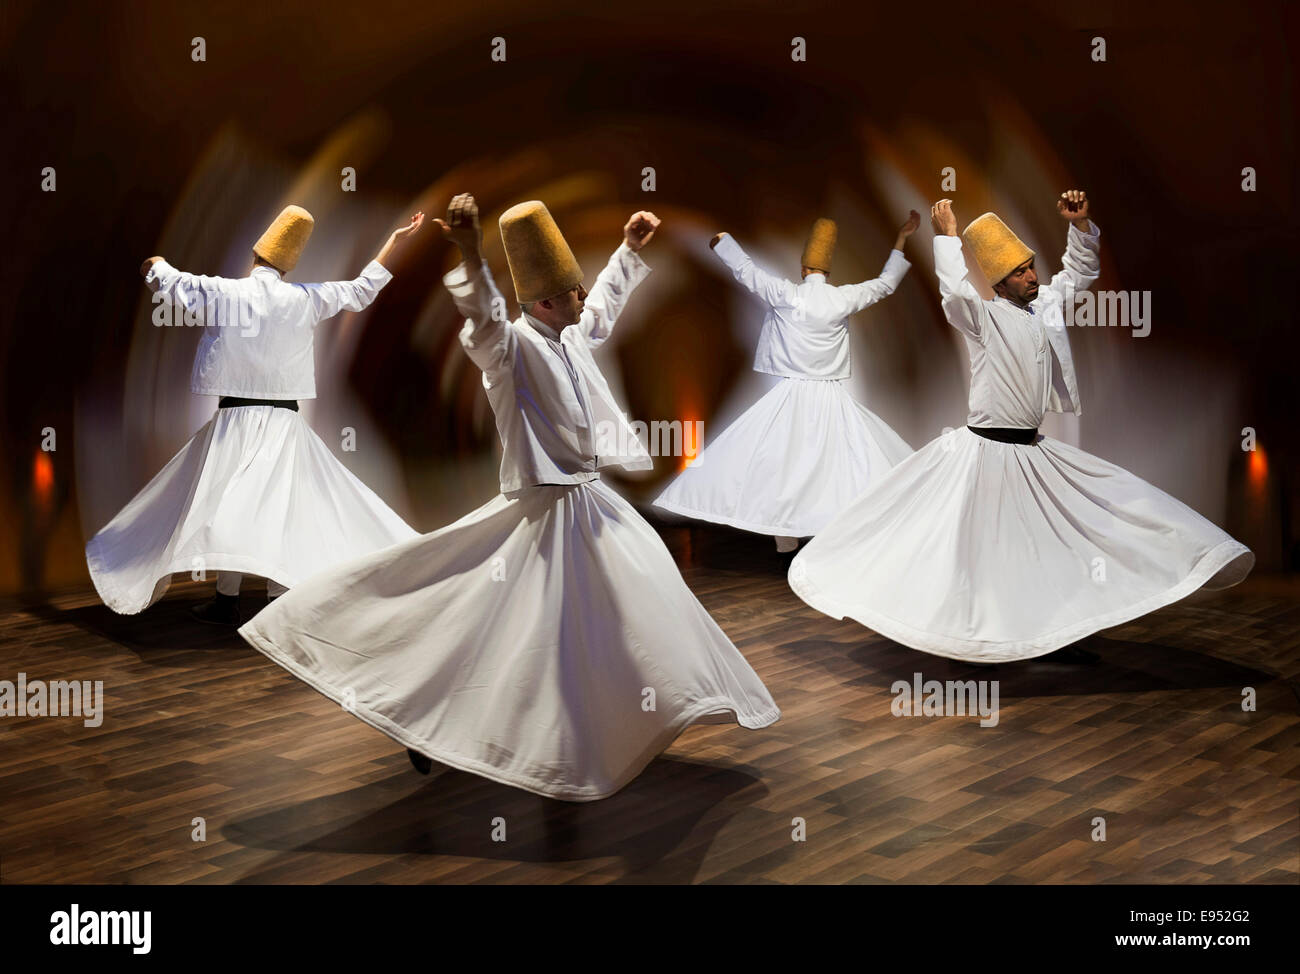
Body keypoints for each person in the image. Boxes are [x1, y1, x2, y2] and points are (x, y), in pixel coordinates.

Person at [238, 195, 779, 801]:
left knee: (626, 604)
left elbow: (601, 310)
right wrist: (470, 254)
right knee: (502, 625)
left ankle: (624, 719)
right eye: (571, 292)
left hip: (590, 505)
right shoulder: (511, 351)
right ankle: (454, 716)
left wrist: (628, 248)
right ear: (545, 301)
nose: (582, 300)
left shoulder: (568, 336)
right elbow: (482, 318)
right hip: (547, 510)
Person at [788, 192, 1253, 663]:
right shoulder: (983, 318)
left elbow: (1080, 275)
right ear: (999, 283)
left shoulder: (1044, 305)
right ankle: (974, 630)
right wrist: (947, 237)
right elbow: (954, 293)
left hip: (1032, 451)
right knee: (974, 549)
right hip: (987, 453)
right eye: (1020, 272)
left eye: (1031, 267)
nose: (1032, 277)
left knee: (1095, 516)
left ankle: (1047, 622)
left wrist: (1081, 226)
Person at [85, 205, 423, 625]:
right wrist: (394, 240)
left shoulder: (228, 293)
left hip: (235, 422)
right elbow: (360, 290)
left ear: (256, 256)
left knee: (232, 506)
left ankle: (228, 600)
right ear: (286, 265)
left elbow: (173, 282)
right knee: (281, 507)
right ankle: (275, 602)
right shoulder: (306, 299)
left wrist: (154, 264)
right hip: (283, 424)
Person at [654, 213, 918, 552]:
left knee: (779, 465)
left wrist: (723, 241)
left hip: (792, 395)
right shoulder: (842, 298)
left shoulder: (786, 294)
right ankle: (831, 537)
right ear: (828, 273)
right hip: (831, 396)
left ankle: (787, 541)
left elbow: (747, 272)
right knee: (840, 464)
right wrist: (902, 239)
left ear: (804, 270)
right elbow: (885, 284)